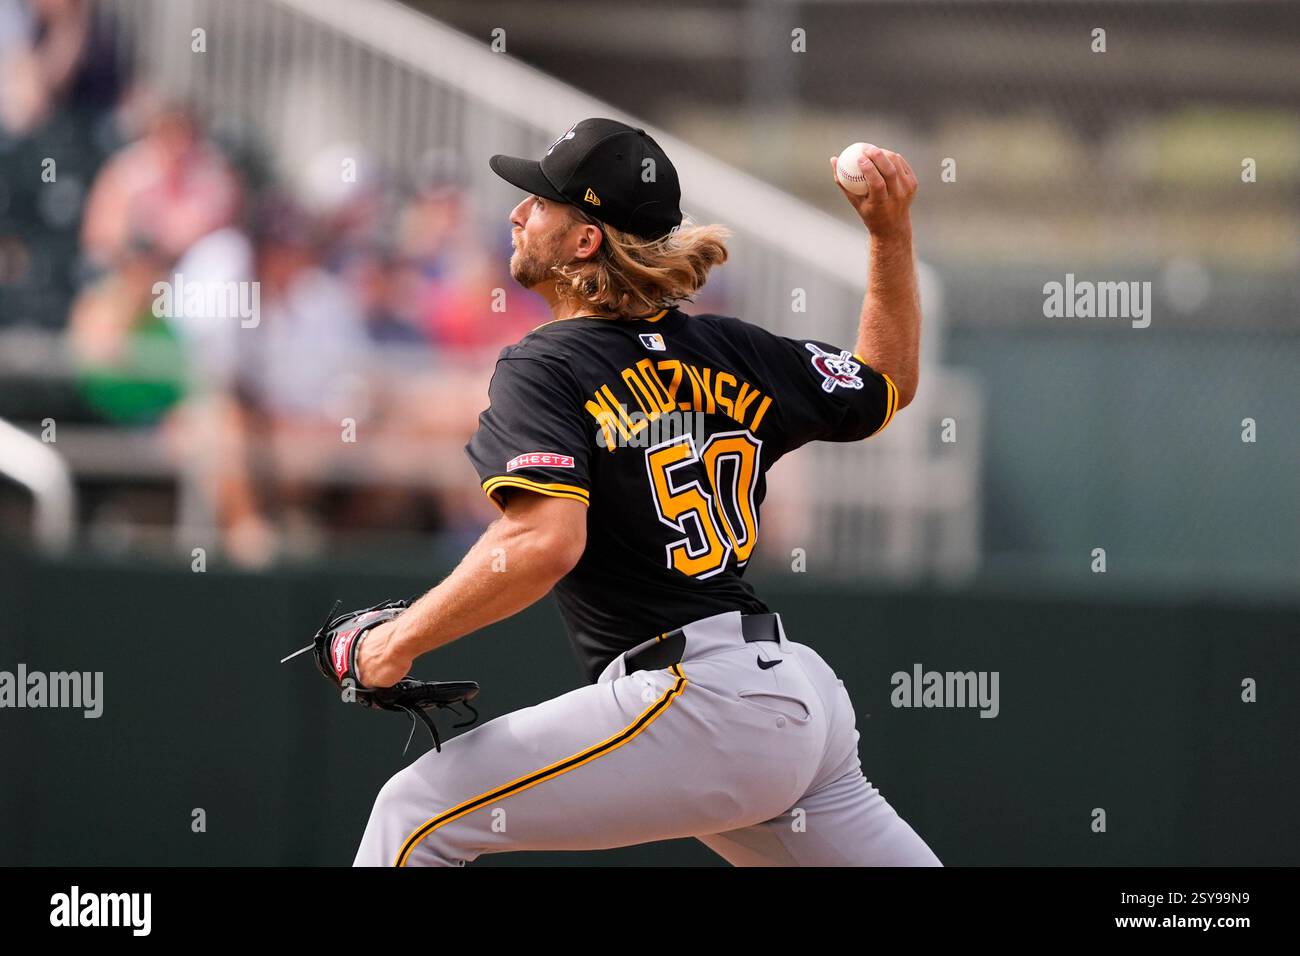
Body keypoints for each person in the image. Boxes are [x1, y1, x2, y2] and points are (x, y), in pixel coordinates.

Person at [349, 118, 940, 867]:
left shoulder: (547, 363)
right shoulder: (732, 347)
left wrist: (392, 645)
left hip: (698, 703)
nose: (518, 212)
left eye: (539, 199)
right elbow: (885, 382)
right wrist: (889, 237)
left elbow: (542, 543)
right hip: (796, 700)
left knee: (415, 811)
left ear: (586, 239)